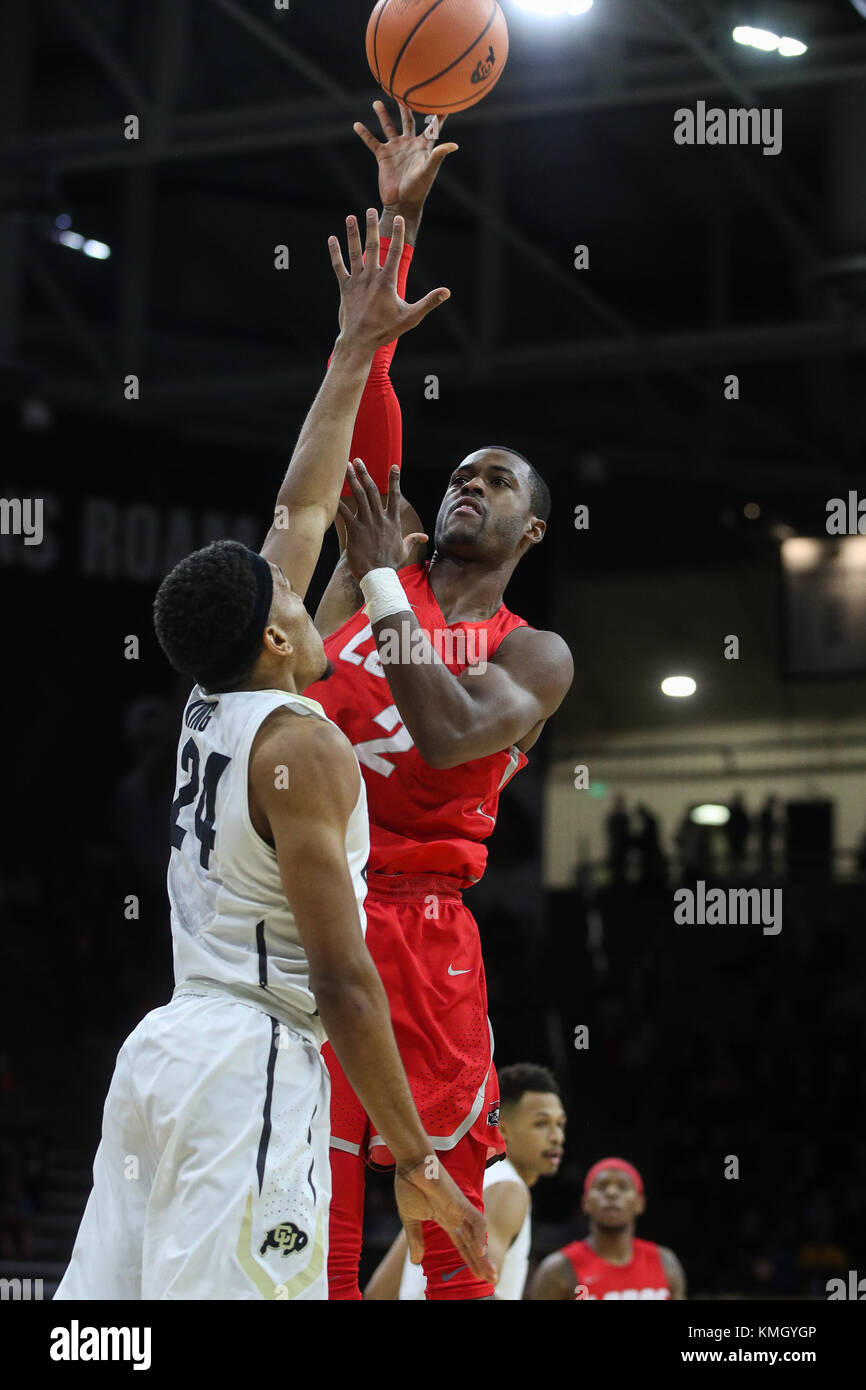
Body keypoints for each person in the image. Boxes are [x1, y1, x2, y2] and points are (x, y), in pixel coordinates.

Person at [55, 212, 493, 1300]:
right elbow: (345, 984)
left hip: (158, 1055)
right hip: (248, 1066)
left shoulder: (212, 700)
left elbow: (301, 499)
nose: (297, 591)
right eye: (286, 597)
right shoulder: (302, 744)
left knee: (97, 1328)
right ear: (272, 633)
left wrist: (356, 344)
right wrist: (423, 1162)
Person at [305, 101, 574, 1301]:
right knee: (310, 1196)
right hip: (312, 895)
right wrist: (401, 221)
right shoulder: (379, 563)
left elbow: (459, 736)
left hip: (421, 924)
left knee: (439, 1208)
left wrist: (376, 577)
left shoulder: (534, 652)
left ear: (532, 526)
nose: (468, 484)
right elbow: (368, 387)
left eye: (496, 480)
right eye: (460, 473)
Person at [365, 1062, 566, 1300]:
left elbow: (377, 1292)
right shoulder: (506, 1189)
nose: (556, 1137)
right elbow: (471, 1293)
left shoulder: (444, 1182)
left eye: (560, 1124)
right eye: (541, 1124)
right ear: (501, 1130)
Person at [527, 1157, 686, 1300]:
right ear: (586, 1202)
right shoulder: (558, 1270)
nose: (611, 1193)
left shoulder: (665, 1263)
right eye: (601, 1187)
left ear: (640, 1203)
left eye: (623, 1187)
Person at [606, 795, 630, 885]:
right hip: (618, 850)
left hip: (620, 850)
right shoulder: (621, 818)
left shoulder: (621, 817)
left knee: (620, 872)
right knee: (617, 872)